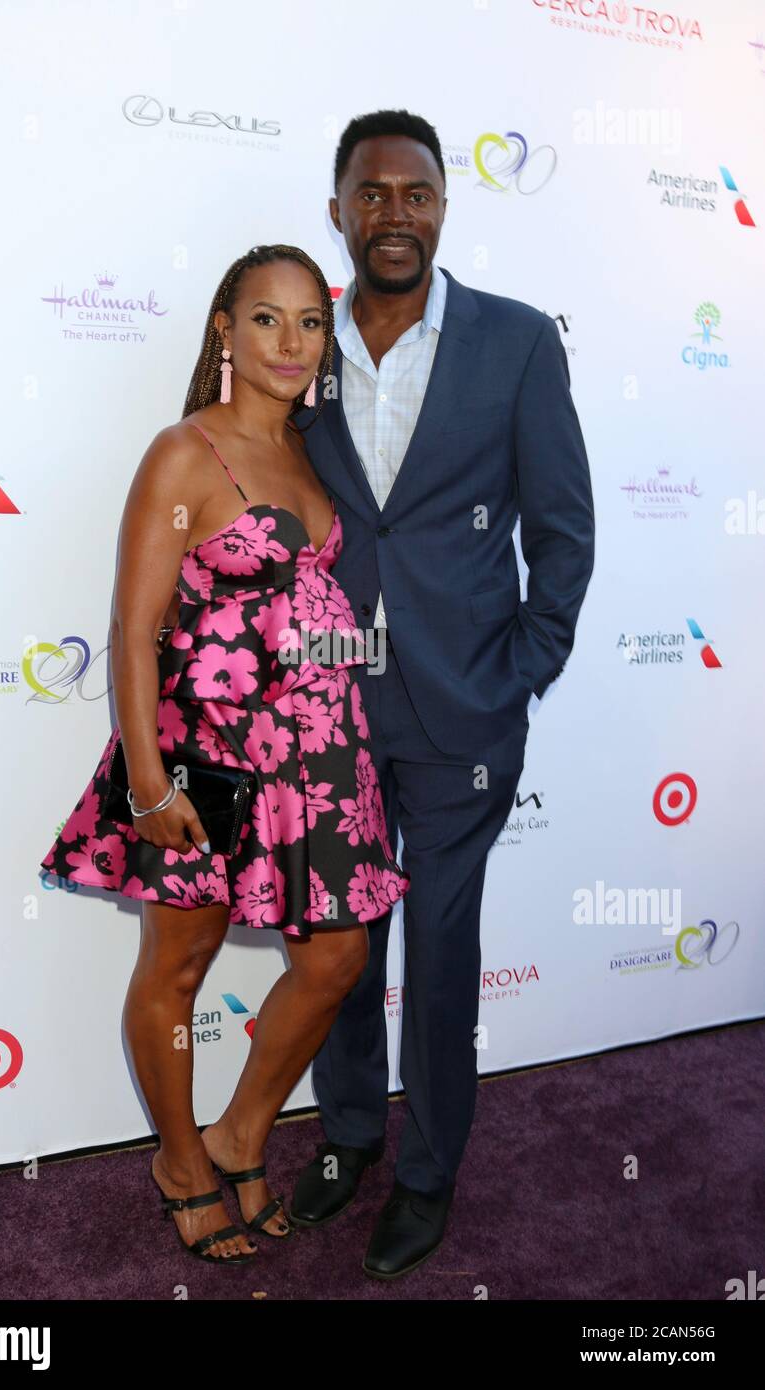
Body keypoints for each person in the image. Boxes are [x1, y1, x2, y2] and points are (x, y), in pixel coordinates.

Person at [40, 245, 410, 1267]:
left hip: (320, 767)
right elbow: (136, 625)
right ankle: (179, 1161)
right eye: (265, 320)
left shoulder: (309, 449)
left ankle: (239, 1131)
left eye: (308, 322)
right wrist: (148, 783)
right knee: (180, 964)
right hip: (208, 764)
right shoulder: (184, 453)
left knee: (336, 956)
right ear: (223, 330)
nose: (289, 343)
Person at [288, 110, 596, 1280]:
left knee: (443, 945)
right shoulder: (298, 340)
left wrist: (525, 663)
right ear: (339, 211)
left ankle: (428, 1171)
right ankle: (351, 1136)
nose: (392, 215)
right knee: (340, 943)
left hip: (463, 709)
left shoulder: (513, 342)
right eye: (369, 195)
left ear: (442, 209)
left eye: (413, 194)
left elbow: (561, 526)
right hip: (328, 708)